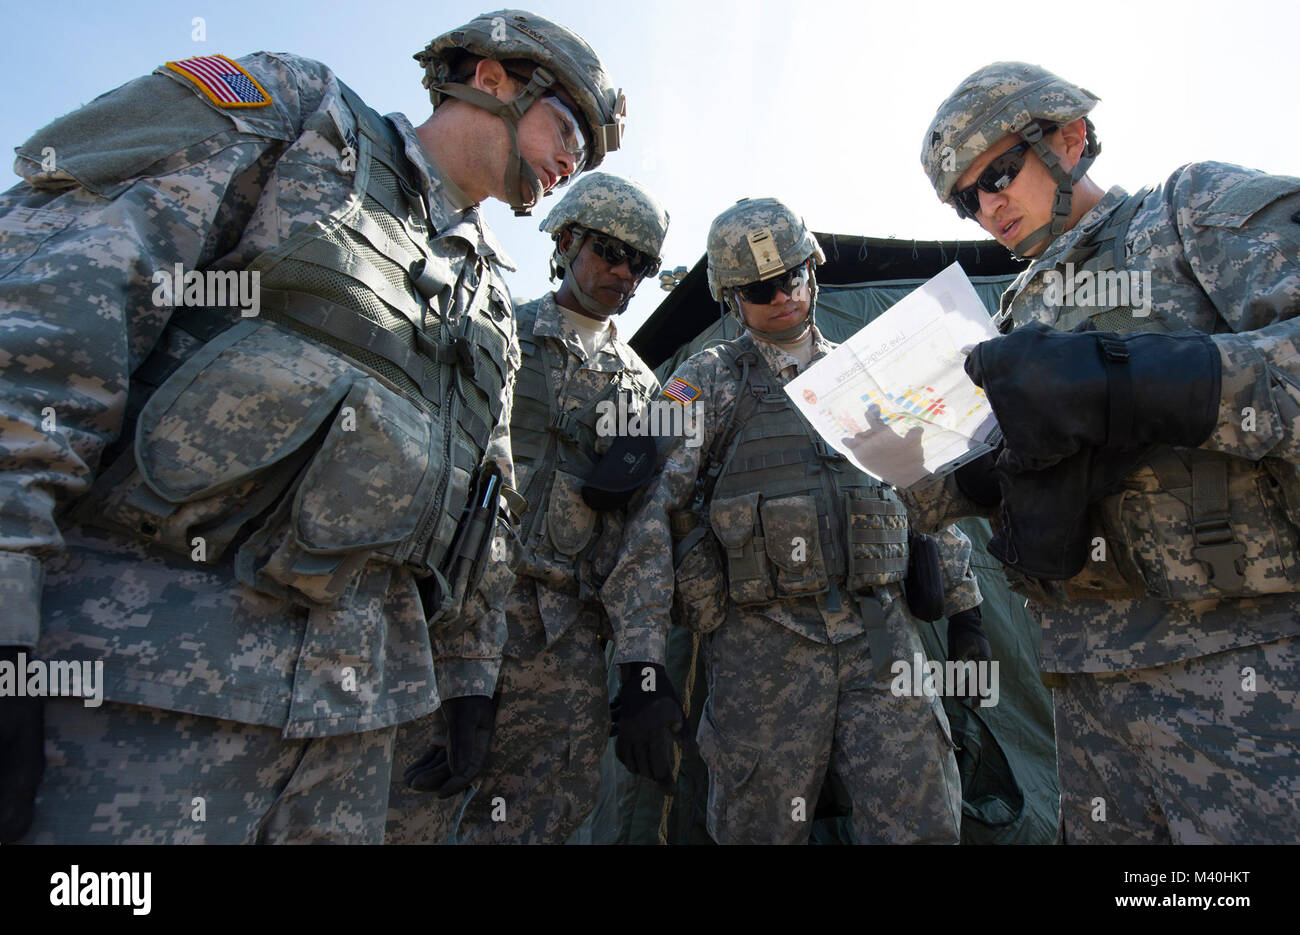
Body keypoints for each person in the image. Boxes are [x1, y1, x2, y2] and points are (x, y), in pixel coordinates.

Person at [0, 9, 625, 844]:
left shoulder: (491, 308)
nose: (571, 164)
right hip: (149, 689)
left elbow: (489, 512)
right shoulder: (303, 123)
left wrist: (473, 677)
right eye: (571, 129)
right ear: (495, 78)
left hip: (357, 730)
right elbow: (51, 321)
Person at [904, 61, 1300, 843]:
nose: (987, 207)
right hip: (1082, 681)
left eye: (999, 173)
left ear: (1070, 139)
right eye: (966, 198)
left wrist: (1129, 383)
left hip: (1238, 662)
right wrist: (949, 466)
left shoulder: (1189, 212)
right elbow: (940, 497)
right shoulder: (1005, 321)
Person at [601, 197, 981, 845]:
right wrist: (641, 664)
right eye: (758, 289)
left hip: (881, 634)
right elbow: (648, 516)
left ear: (814, 270)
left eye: (792, 277)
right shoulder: (707, 382)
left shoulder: (865, 376)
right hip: (762, 647)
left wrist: (967, 610)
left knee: (924, 822)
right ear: (729, 298)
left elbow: (920, 489)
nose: (780, 296)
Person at [387, 171, 668, 844]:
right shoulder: (494, 330)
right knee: (405, 808)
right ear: (566, 239)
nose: (625, 273)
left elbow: (644, 541)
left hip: (565, 642)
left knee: (536, 819)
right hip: (450, 617)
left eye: (643, 263)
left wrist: (642, 670)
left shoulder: (647, 392)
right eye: (610, 250)